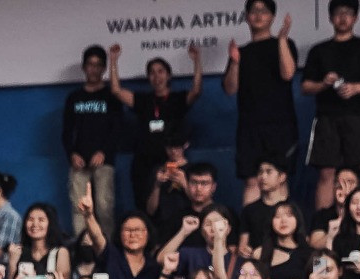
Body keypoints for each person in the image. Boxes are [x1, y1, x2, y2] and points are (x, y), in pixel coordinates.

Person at [300, 1, 360, 212]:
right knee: (327, 172)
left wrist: (356, 88)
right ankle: (322, 225)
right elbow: (305, 86)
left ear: (355, 18)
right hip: (327, 117)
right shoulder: (319, 50)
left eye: (348, 13)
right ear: (330, 18)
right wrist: (323, 83)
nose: (343, 18)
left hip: (357, 116)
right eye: (338, 13)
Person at [109, 42, 203, 210]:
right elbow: (116, 91)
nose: (156, 76)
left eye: (160, 71)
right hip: (144, 162)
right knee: (144, 205)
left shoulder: (178, 99)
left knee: (172, 204)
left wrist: (196, 61)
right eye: (152, 73)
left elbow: (196, 91)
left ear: (168, 75)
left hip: (171, 161)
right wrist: (113, 60)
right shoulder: (143, 100)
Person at [224, 0, 299, 204]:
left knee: (279, 180)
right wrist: (235, 62)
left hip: (280, 125)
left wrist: (282, 38)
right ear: (247, 17)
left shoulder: (284, 44)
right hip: (250, 126)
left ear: (272, 17)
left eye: (264, 11)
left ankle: (282, 230)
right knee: (252, 181)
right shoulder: (241, 52)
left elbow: (288, 73)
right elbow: (230, 89)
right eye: (253, 11)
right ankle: (250, 233)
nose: (258, 15)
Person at [65, 45, 123, 237]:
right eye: (90, 64)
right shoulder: (74, 98)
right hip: (78, 162)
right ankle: (83, 251)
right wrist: (72, 153)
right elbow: (66, 131)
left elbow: (117, 130)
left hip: (104, 162)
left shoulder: (112, 97)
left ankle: (106, 251)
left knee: (105, 207)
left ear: (104, 68)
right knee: (78, 208)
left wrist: (104, 152)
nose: (94, 69)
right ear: (84, 67)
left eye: (98, 65)